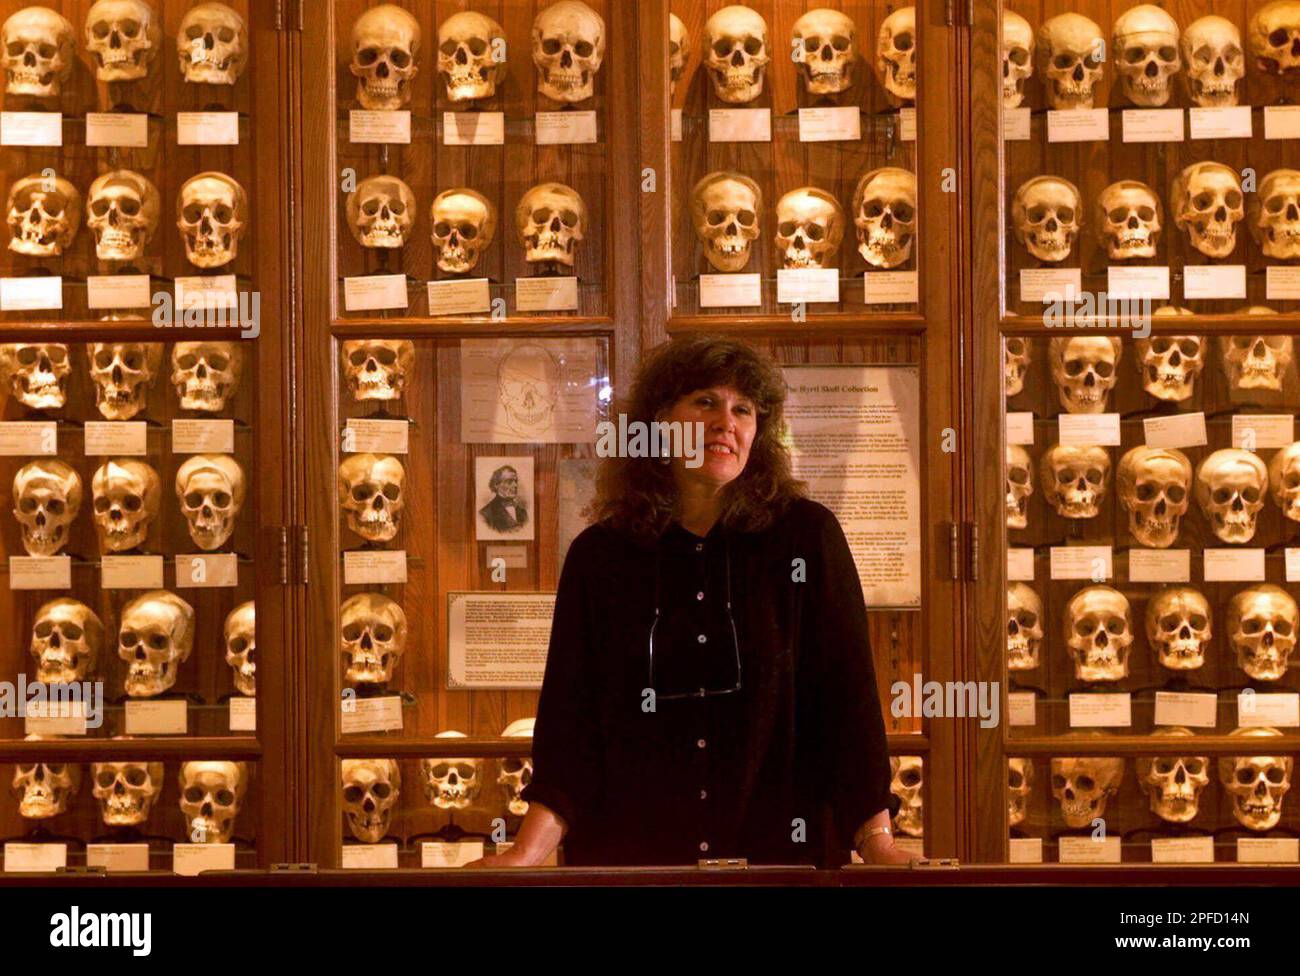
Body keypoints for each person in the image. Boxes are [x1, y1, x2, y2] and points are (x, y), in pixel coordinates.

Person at [472, 335, 908, 867]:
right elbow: (570, 722)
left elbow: (849, 701)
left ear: (759, 433)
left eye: (743, 409)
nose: (726, 421)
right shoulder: (601, 555)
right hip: (635, 866)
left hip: (779, 864)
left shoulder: (807, 537)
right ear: (659, 421)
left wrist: (876, 841)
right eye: (705, 401)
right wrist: (526, 851)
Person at [479, 464, 527, 533]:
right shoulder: (485, 514)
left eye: (515, 481)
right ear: (496, 485)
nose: (515, 485)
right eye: (509, 482)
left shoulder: (523, 512)